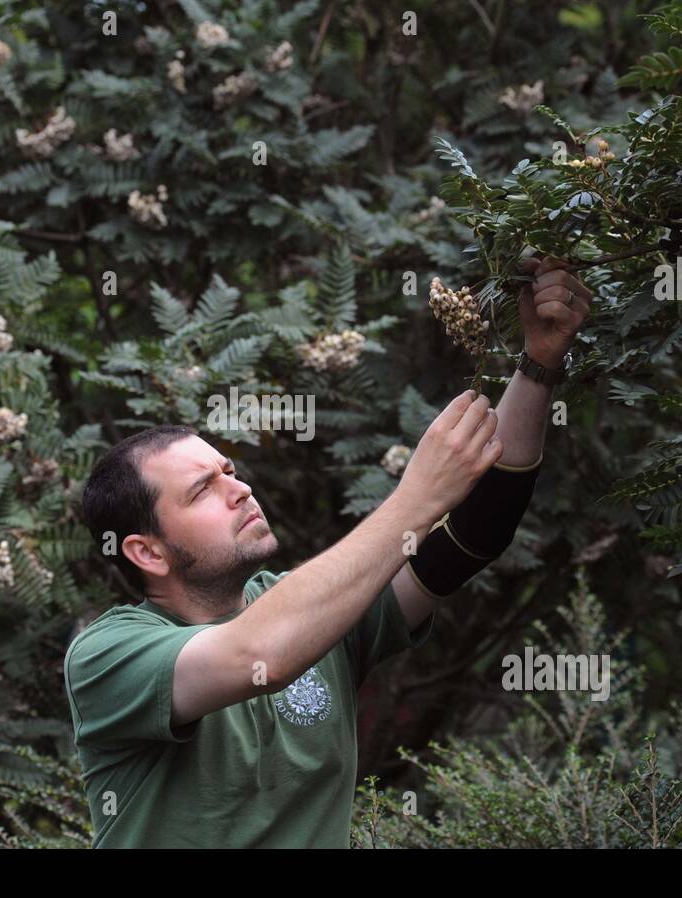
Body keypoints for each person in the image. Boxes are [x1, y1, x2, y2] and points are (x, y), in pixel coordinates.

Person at [65, 256, 591, 847]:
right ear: (148, 553)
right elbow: (257, 653)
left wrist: (539, 364)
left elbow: (474, 538)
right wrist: (415, 499)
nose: (239, 490)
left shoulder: (320, 615)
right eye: (202, 491)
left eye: (229, 471)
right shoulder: (109, 656)